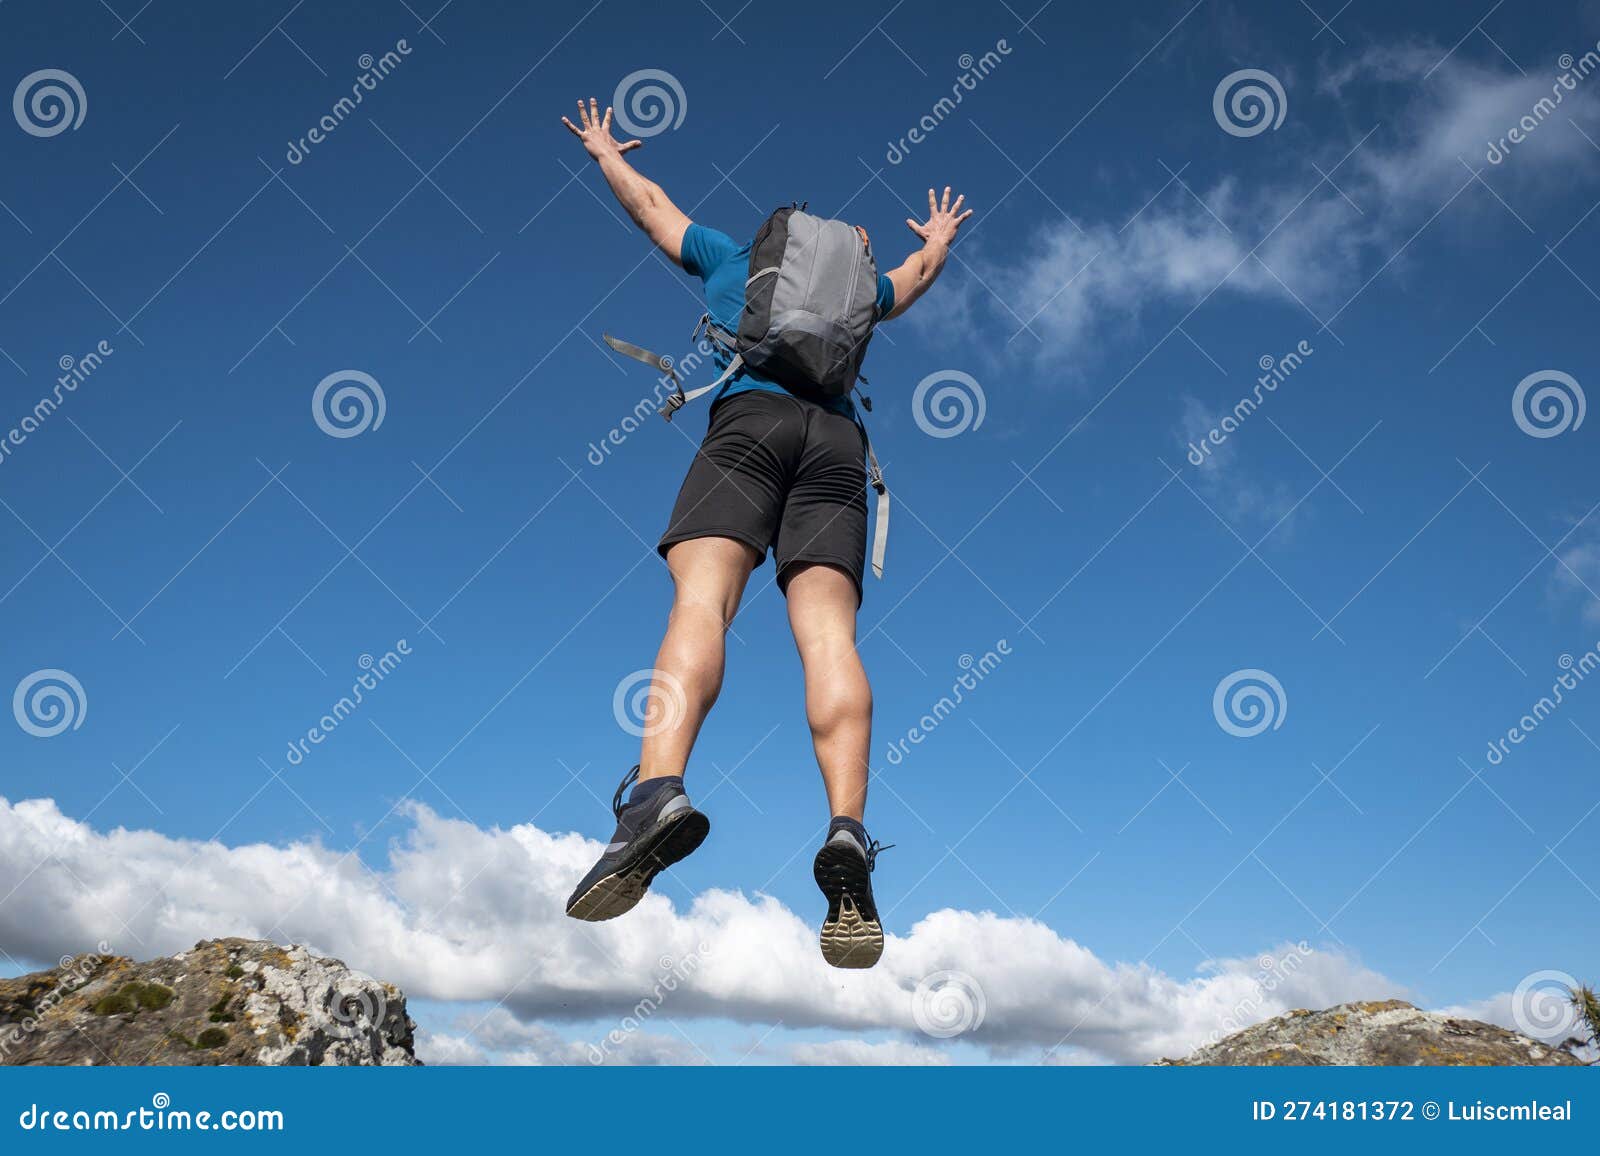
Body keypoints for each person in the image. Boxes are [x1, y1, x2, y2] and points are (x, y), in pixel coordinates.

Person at [560, 98, 971, 969]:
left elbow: (652, 206)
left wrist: (604, 152)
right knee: (829, 639)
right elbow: (917, 274)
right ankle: (849, 831)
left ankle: (656, 795)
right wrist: (937, 236)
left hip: (748, 425)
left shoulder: (732, 260)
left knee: (703, 604)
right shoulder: (865, 296)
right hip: (837, 447)